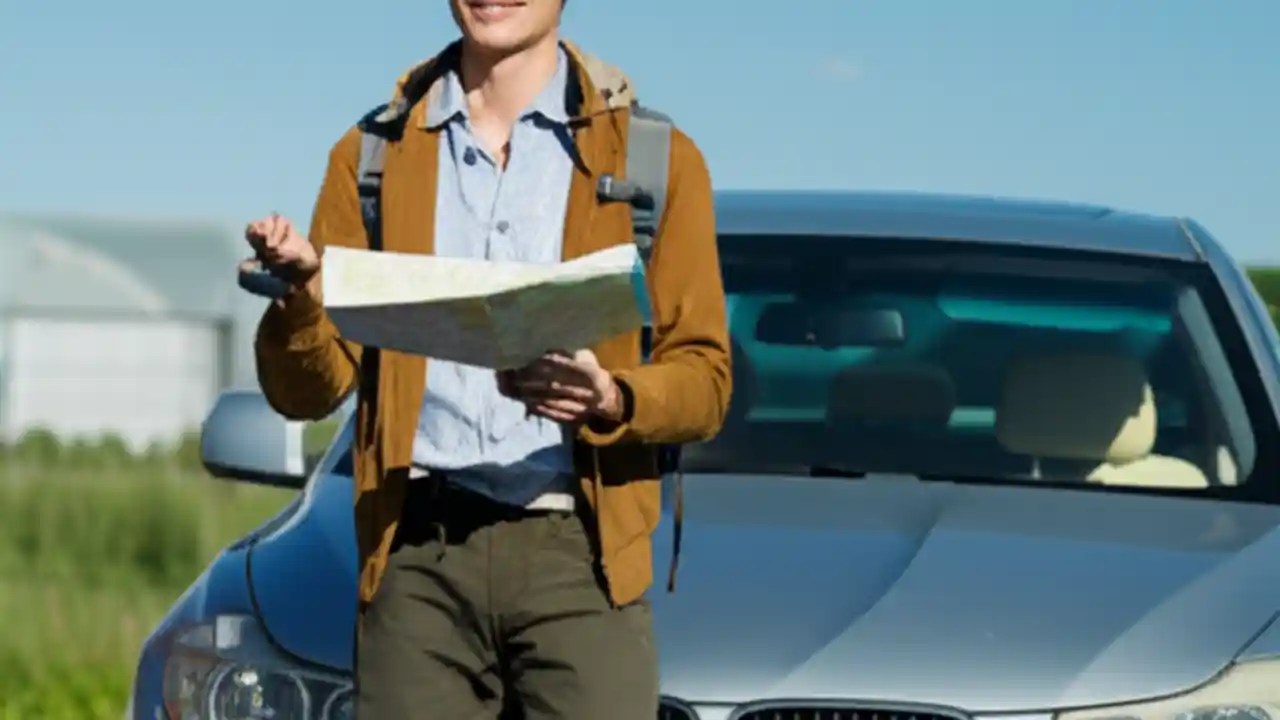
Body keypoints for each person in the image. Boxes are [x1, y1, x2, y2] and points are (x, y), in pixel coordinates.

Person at [241, 0, 731, 717]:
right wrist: (302, 298)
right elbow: (309, 393)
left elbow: (707, 380)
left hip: (582, 555)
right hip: (417, 558)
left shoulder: (656, 160)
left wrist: (612, 399)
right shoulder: (370, 156)